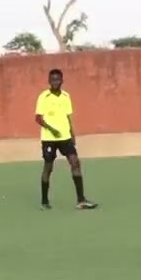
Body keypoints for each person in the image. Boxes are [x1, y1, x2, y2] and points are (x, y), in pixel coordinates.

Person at [36, 68, 97, 210]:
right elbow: (38, 118)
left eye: (57, 79)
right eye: (52, 80)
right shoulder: (43, 97)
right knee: (48, 167)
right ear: (49, 81)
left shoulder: (66, 96)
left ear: (62, 81)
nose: (55, 82)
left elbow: (68, 117)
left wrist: (72, 133)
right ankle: (44, 201)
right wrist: (52, 130)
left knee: (75, 162)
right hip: (49, 138)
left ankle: (81, 200)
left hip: (65, 137)